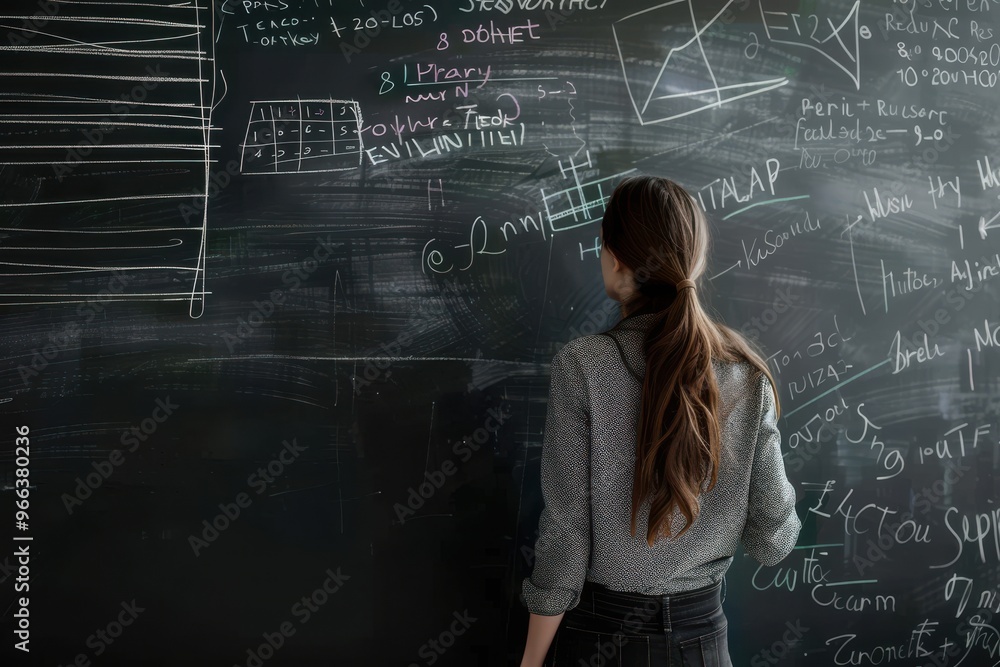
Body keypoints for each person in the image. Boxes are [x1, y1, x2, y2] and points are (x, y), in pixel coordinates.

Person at [518, 176, 801, 666]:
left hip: (600, 638)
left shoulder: (584, 365)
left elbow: (566, 541)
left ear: (615, 258)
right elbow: (772, 540)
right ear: (696, 261)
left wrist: (530, 661)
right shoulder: (746, 376)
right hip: (701, 643)